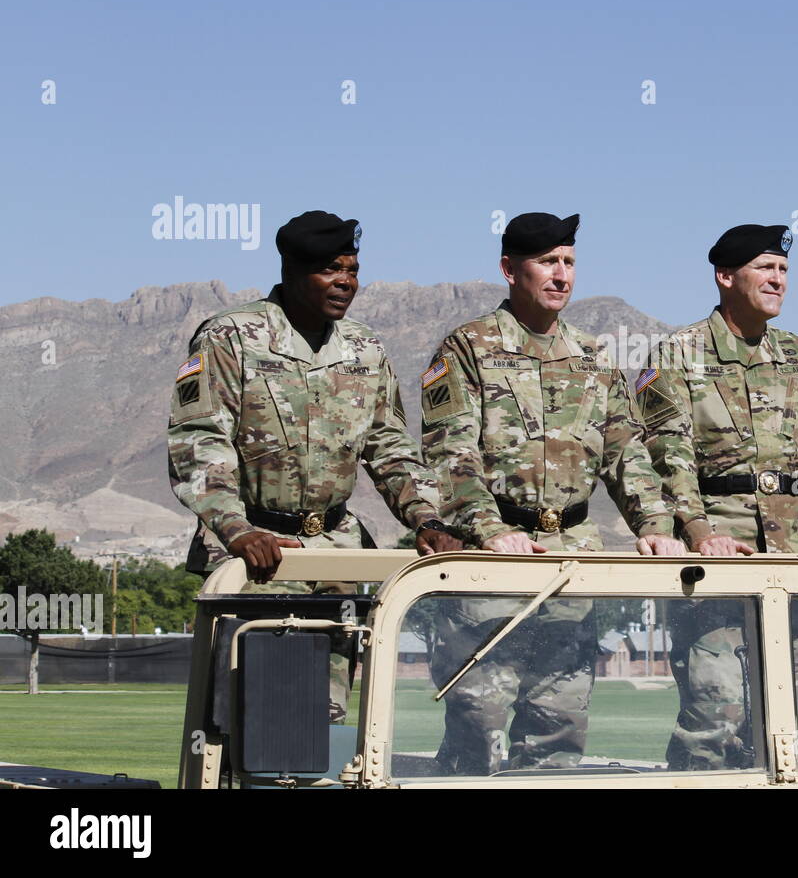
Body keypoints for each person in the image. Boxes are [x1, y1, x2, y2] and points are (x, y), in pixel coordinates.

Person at [420, 211, 684, 775]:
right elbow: (450, 451)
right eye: (547, 262)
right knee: (478, 728)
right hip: (489, 563)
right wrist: (491, 530)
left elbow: (626, 452)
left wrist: (655, 525)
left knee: (558, 729)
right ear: (509, 269)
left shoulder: (593, 356)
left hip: (572, 559)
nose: (561, 275)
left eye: (568, 262)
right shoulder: (468, 347)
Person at [167, 210, 453, 720]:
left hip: (338, 561)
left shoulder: (364, 349)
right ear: (292, 271)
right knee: (260, 718)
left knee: (328, 716)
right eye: (330, 270)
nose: (346, 282)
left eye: (352, 269)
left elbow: (389, 445)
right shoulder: (231, 338)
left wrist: (425, 519)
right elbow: (198, 440)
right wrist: (236, 530)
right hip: (259, 561)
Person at [634, 223, 798, 770]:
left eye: (784, 270)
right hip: (717, 560)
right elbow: (664, 452)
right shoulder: (679, 353)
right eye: (765, 268)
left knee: (777, 717)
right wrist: (699, 533)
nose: (778, 280)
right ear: (725, 276)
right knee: (714, 714)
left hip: (791, 556)